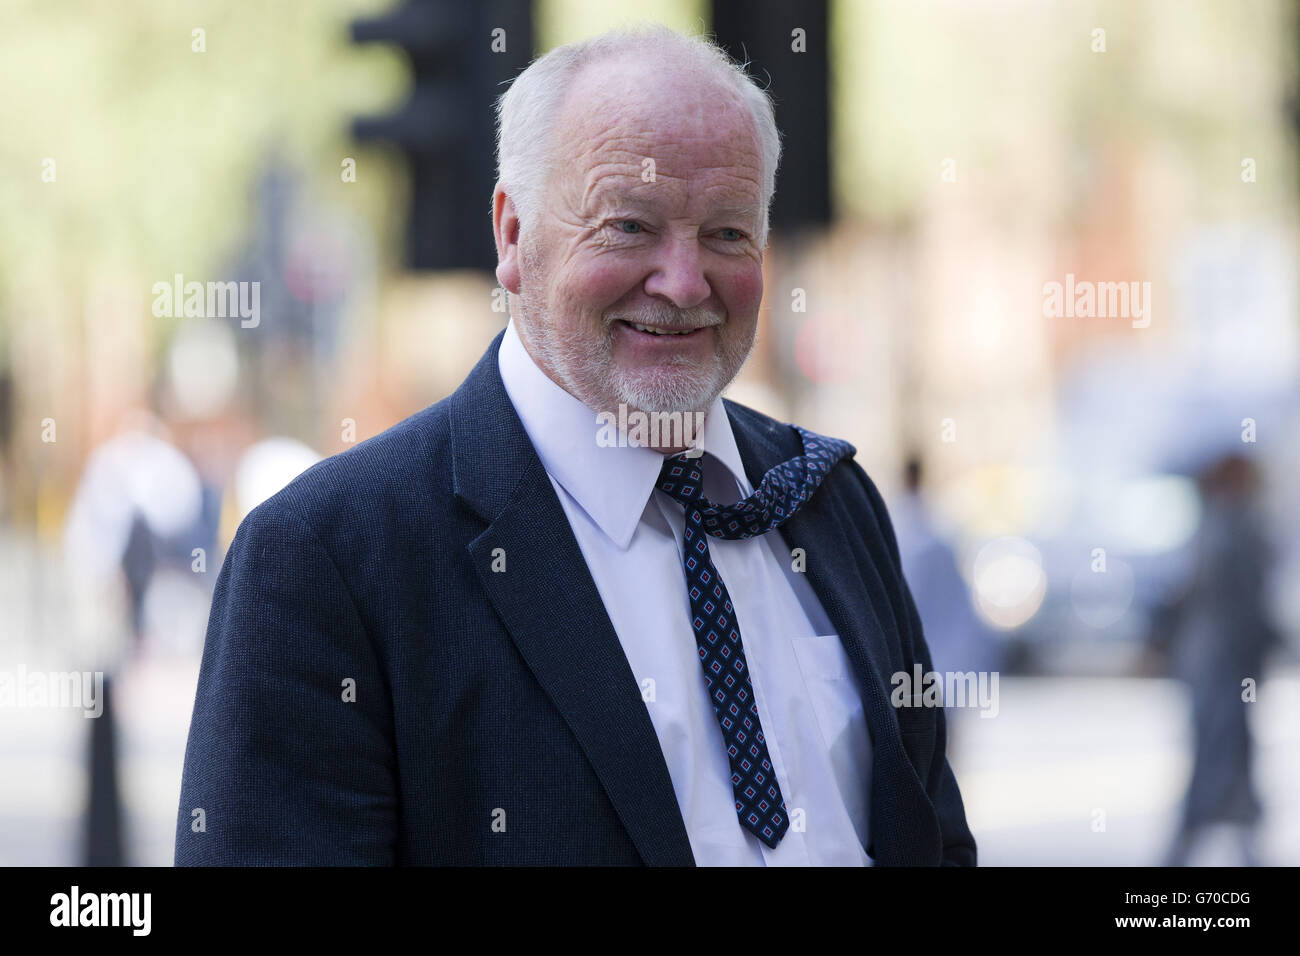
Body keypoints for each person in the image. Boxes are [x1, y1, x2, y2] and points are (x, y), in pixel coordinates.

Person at [175, 25, 976, 866]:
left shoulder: (829, 501)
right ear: (512, 236)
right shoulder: (330, 559)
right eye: (630, 226)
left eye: (728, 234)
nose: (684, 280)